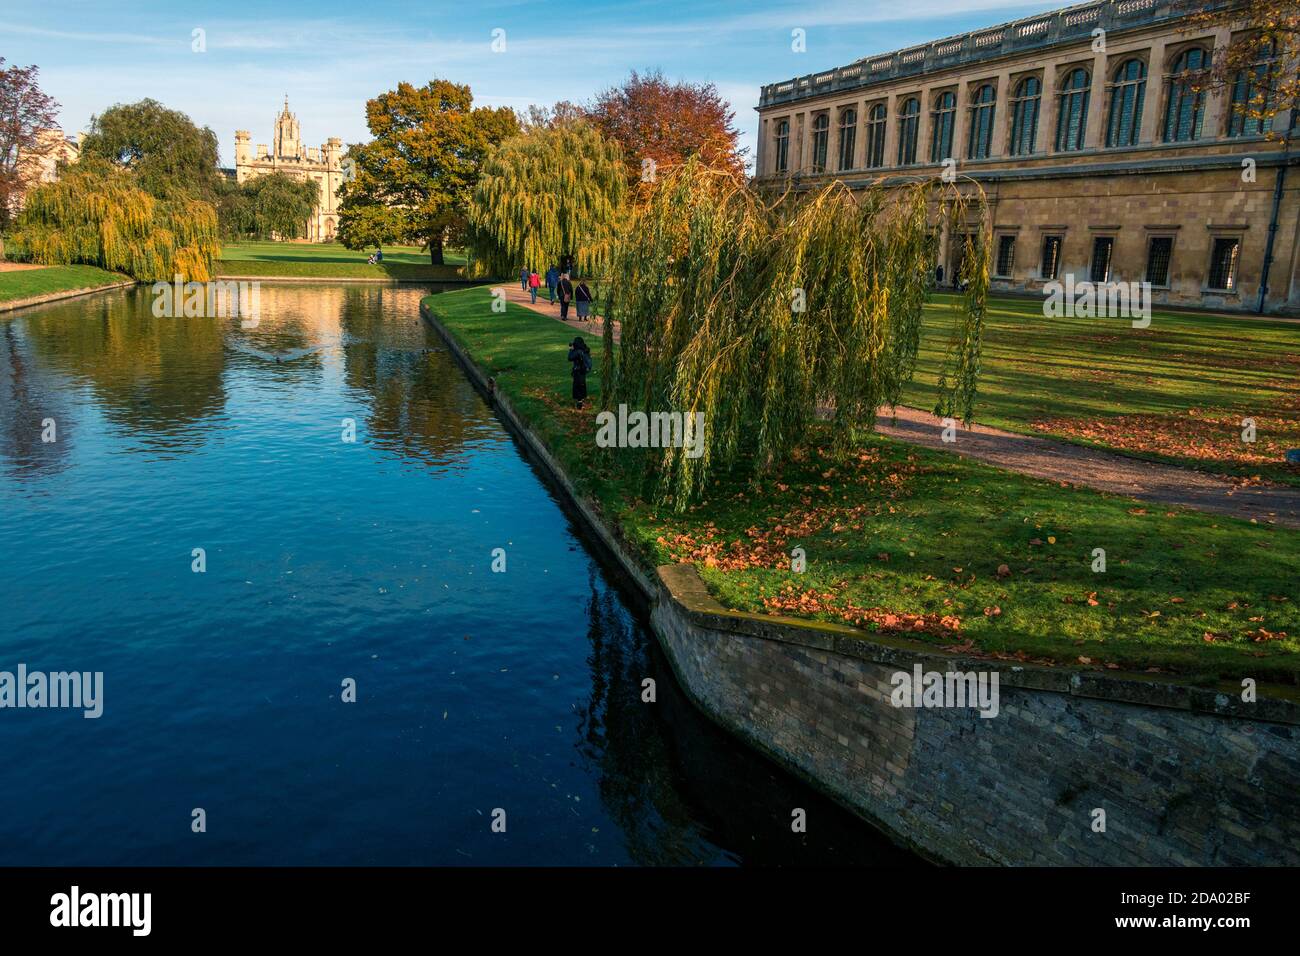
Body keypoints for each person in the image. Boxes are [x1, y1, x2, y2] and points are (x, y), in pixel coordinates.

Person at [567, 337, 592, 409]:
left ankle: (579, 403)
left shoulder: (578, 351)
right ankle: (582, 399)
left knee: (577, 386)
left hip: (578, 371)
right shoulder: (585, 349)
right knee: (582, 384)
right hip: (583, 370)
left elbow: (570, 358)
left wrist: (571, 349)